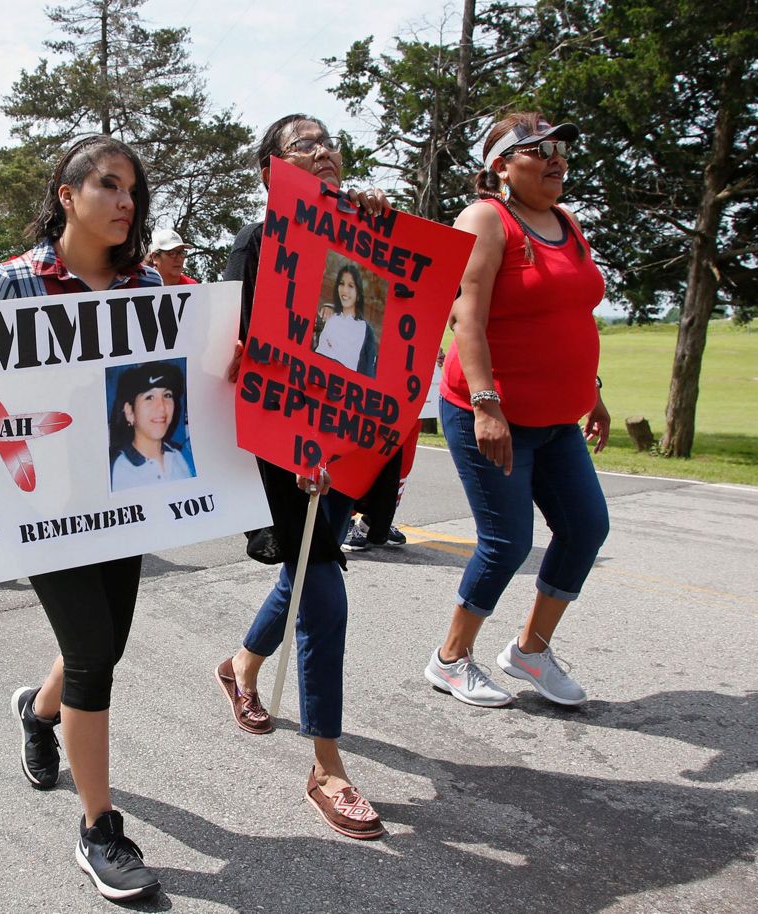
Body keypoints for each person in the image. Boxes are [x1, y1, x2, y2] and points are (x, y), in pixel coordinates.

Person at [0, 137, 163, 901]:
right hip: (43, 508)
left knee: (105, 647)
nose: (125, 202)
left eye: (133, 192)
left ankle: (37, 711)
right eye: (110, 186)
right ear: (66, 192)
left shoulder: (147, 281)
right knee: (92, 653)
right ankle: (98, 831)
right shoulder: (12, 283)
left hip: (120, 501)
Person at [215, 114, 391, 842]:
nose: (322, 152)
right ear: (270, 171)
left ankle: (238, 666)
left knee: (305, 565)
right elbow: (222, 332)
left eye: (328, 142)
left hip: (346, 434)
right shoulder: (257, 242)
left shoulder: (367, 234)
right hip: (279, 440)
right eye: (302, 146)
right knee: (322, 583)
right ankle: (327, 766)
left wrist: (381, 227)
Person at [424, 112, 610, 709]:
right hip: (490, 411)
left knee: (585, 528)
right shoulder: (486, 218)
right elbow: (466, 318)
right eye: (539, 150)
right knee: (506, 542)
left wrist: (595, 393)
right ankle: (450, 659)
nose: (556, 158)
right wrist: (486, 405)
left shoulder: (567, 222)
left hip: (557, 419)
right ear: (501, 165)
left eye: (561, 148)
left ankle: (530, 650)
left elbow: (570, 316)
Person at [108, 361, 195, 491]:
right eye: (149, 397)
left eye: (167, 395)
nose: (162, 406)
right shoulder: (115, 469)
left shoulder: (182, 457)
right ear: (129, 411)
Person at [314, 262, 375, 373]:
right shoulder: (327, 314)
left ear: (358, 294)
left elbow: (367, 372)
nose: (344, 290)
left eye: (351, 286)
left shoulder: (366, 331)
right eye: (341, 284)